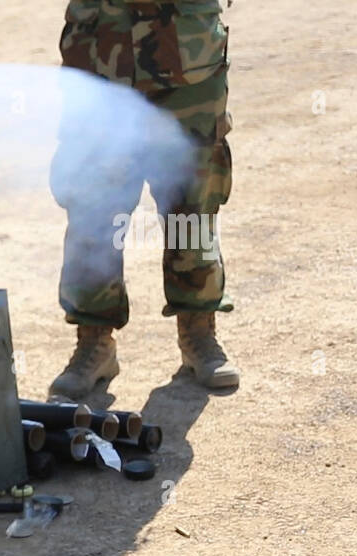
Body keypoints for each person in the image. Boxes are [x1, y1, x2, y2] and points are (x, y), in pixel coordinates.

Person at [48, 0, 238, 400]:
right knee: (93, 205)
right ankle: (94, 340)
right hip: (99, 52)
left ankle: (197, 330)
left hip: (188, 56)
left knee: (192, 205)